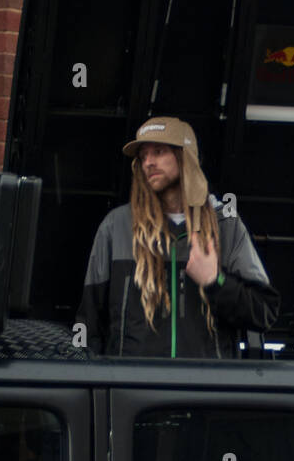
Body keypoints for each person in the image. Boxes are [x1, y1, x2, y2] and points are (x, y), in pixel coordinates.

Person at [76, 118, 279, 358]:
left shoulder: (226, 225)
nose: (149, 162)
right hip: (132, 389)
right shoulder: (116, 226)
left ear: (186, 158)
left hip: (203, 389)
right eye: (143, 156)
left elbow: (265, 312)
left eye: (159, 152)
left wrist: (215, 281)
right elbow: (89, 322)